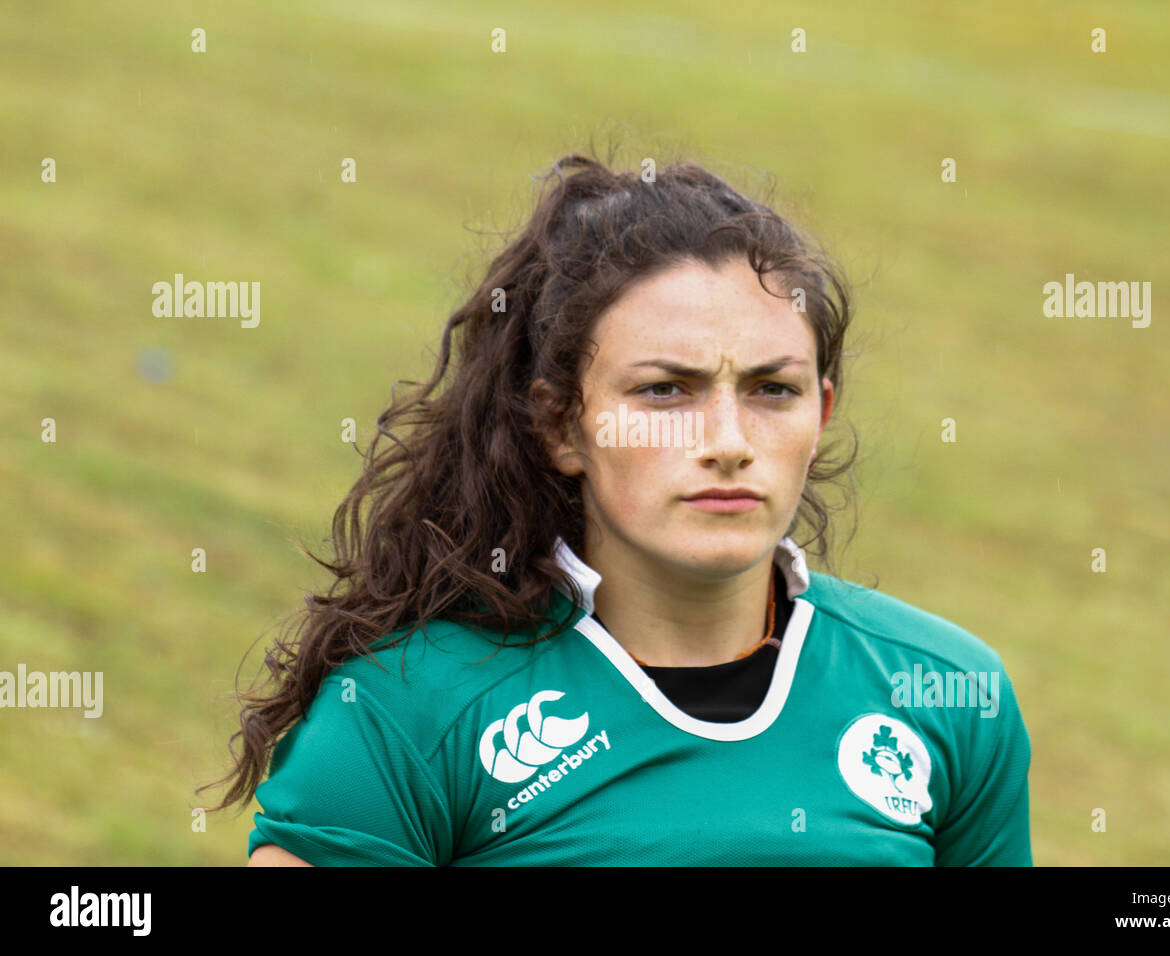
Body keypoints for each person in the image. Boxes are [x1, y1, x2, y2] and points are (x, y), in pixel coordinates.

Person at [202, 151, 1032, 866]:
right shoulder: (410, 711)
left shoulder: (946, 692)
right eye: (666, 391)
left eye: (771, 391)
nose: (729, 440)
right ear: (563, 424)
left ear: (821, 411)